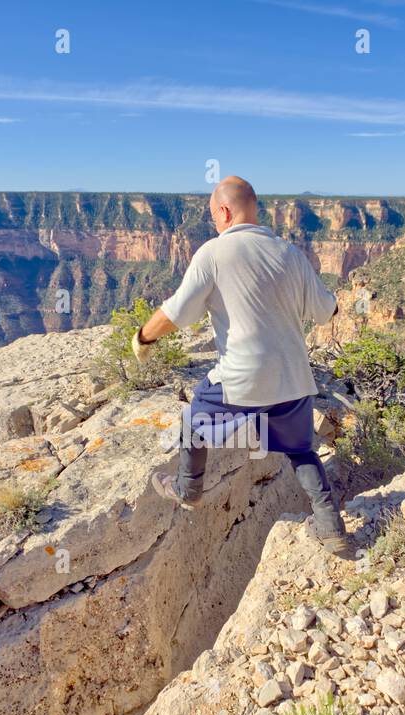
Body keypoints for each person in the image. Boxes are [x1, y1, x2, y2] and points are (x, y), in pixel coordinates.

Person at [130, 175, 348, 554]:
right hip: (293, 378)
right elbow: (326, 311)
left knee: (193, 422)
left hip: (242, 377)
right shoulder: (291, 253)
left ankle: (187, 489)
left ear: (225, 211)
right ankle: (330, 525)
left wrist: (143, 337)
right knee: (301, 452)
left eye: (214, 215)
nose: (214, 222)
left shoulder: (213, 253)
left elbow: (176, 312)